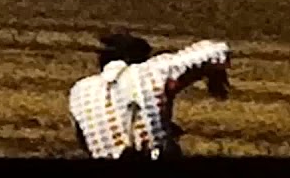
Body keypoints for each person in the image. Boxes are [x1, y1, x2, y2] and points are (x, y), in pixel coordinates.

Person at [68, 32, 231, 160]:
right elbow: (216, 49)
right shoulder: (149, 71)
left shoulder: (79, 90)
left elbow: (83, 140)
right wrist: (214, 75)